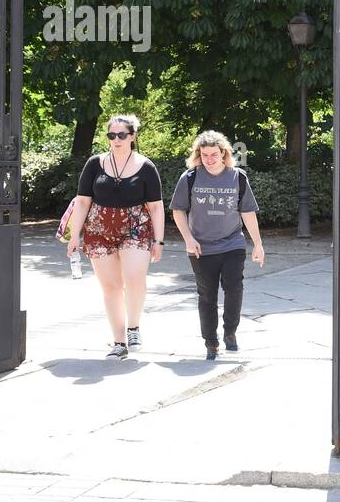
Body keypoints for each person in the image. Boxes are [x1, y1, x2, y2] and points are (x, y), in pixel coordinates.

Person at [64, 113, 165, 360]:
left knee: (134, 278)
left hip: (136, 227)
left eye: (122, 135)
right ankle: (118, 342)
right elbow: (83, 201)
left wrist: (158, 241)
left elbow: (155, 207)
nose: (116, 139)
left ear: (132, 136)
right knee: (110, 287)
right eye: (112, 135)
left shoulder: (146, 166)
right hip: (99, 229)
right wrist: (74, 235)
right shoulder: (94, 164)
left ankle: (133, 327)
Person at [170, 131, 265, 361]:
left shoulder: (238, 177)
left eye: (214, 154)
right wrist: (188, 239)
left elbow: (248, 212)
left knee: (234, 289)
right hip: (201, 248)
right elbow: (178, 210)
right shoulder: (190, 177)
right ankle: (211, 342)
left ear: (224, 153)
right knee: (207, 296)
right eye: (204, 155)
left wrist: (258, 244)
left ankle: (230, 332)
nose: (209, 159)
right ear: (198, 155)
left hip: (232, 243)